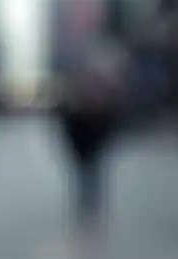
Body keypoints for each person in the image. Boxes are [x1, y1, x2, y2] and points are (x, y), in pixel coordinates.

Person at [53, 35, 129, 233]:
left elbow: (111, 120)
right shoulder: (75, 94)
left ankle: (90, 202)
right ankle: (86, 201)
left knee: (92, 170)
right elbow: (65, 119)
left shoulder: (102, 93)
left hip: (93, 139)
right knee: (85, 171)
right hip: (81, 139)